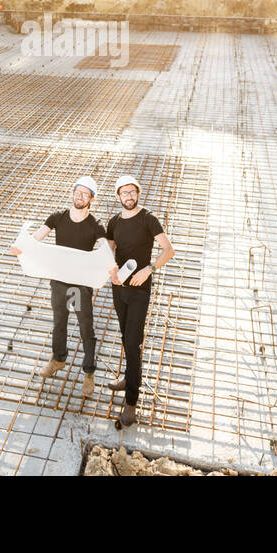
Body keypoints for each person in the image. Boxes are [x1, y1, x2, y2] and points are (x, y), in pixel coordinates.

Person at [10, 175, 106, 397]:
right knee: (59, 322)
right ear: (72, 193)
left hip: (79, 286)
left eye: (85, 194)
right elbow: (37, 238)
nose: (79, 196)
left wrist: (109, 259)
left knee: (85, 328)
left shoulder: (95, 225)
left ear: (91, 199)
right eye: (77, 191)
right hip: (59, 281)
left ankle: (89, 372)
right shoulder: (58, 217)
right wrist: (21, 247)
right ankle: (58, 358)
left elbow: (105, 248)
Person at [104, 174, 175, 428]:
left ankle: (131, 402)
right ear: (118, 197)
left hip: (140, 290)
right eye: (124, 193)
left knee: (133, 343)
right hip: (119, 287)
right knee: (125, 337)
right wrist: (110, 270)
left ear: (138, 194)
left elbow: (169, 250)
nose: (129, 196)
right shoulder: (113, 222)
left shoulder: (147, 218)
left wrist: (149, 269)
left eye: (133, 192)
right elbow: (107, 250)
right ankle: (128, 376)